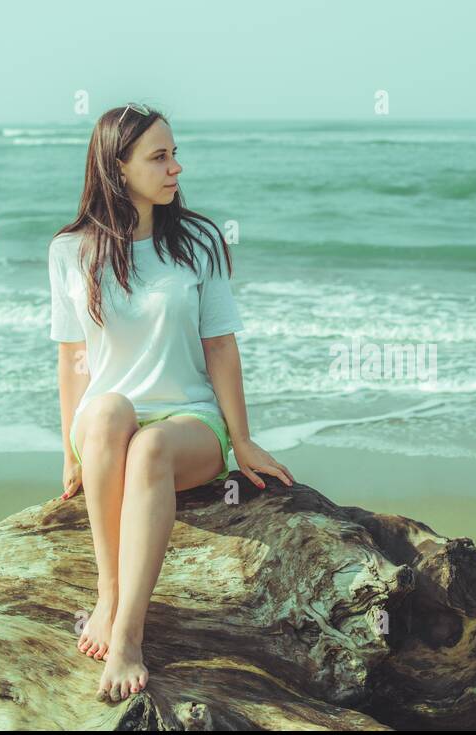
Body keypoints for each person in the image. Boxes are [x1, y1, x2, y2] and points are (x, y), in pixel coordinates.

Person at [48, 102, 293, 703]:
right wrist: (69, 452)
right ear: (117, 167)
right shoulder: (70, 251)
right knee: (106, 412)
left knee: (151, 446)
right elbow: (72, 358)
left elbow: (219, 346)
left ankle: (129, 633)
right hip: (107, 423)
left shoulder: (198, 242)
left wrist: (243, 440)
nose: (175, 167)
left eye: (174, 152)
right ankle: (109, 592)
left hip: (188, 423)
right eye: (159, 156)